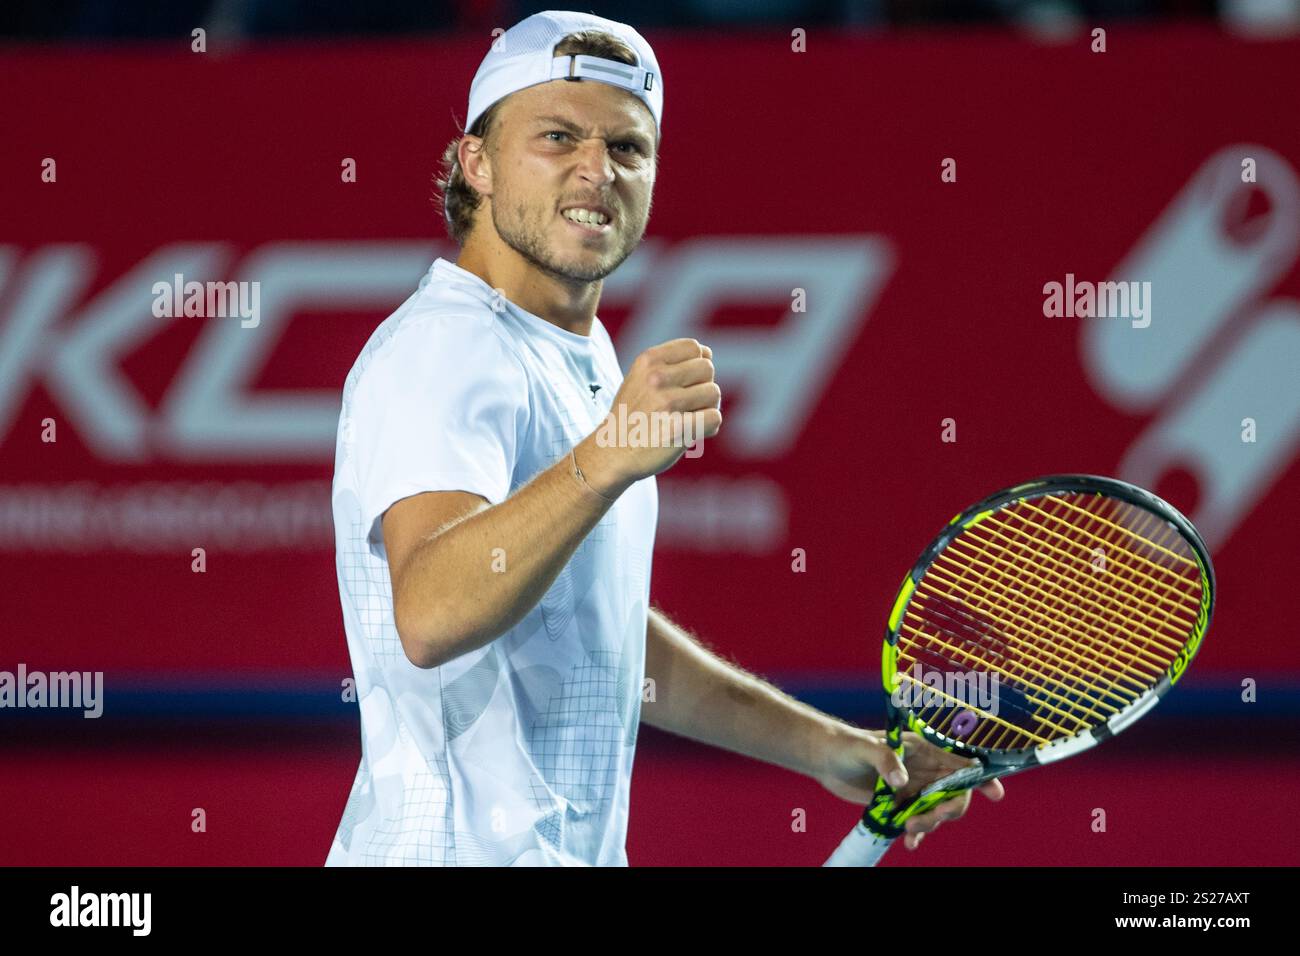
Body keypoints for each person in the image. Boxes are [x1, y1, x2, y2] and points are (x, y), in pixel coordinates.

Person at [326, 9, 1002, 866]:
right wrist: (605, 459)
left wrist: (828, 747)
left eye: (627, 148)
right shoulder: (447, 347)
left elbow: (596, 632)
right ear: (477, 163)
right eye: (558, 137)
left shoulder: (579, 350)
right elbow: (429, 613)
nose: (596, 171)